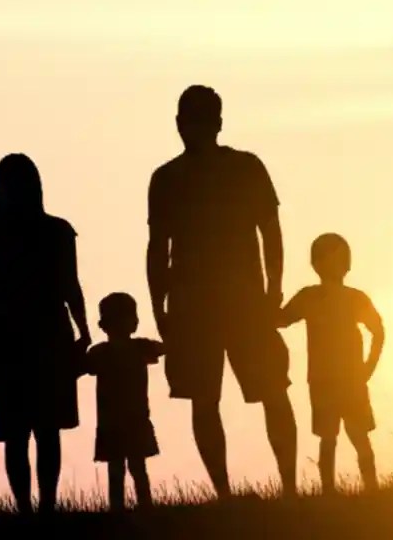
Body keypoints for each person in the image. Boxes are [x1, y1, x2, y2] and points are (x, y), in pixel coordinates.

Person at [146, 85, 298, 499]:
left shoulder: (244, 167)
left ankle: (287, 488)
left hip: (242, 301)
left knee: (270, 390)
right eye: (188, 120)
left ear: (216, 123)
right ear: (180, 124)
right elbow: (158, 247)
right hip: (198, 305)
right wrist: (159, 307)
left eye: (198, 120)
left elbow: (271, 232)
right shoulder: (167, 178)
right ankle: (226, 494)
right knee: (207, 398)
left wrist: (274, 288)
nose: (192, 128)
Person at [0, 154, 92, 514]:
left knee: (33, 430)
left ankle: (38, 507)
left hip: (34, 337)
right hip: (29, 336)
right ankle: (35, 508)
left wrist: (83, 331)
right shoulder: (44, 232)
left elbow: (70, 286)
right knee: (28, 431)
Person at [279, 233, 384, 494]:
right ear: (316, 264)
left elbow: (378, 331)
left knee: (357, 436)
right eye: (327, 259)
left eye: (337, 259)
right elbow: (281, 320)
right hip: (324, 380)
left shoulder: (354, 298)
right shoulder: (309, 297)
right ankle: (329, 491)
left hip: (350, 378)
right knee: (329, 438)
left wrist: (369, 367)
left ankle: (371, 489)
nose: (332, 265)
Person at [82, 292, 165, 511]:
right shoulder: (140, 348)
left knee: (117, 469)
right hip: (134, 419)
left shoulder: (100, 353)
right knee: (136, 467)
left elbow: (81, 366)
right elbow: (164, 347)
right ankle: (144, 506)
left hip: (112, 422)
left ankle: (119, 508)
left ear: (102, 325)